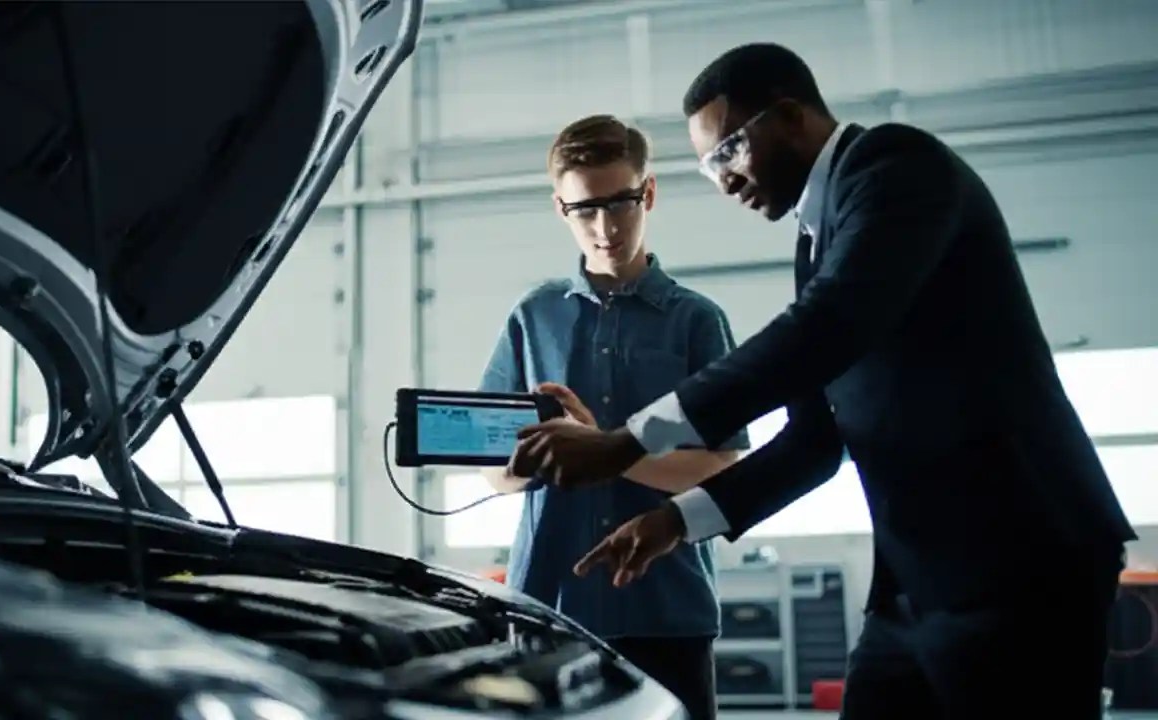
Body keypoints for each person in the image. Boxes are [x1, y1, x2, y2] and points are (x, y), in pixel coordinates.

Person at [511, 44, 1137, 718]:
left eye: (727, 153)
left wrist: (625, 443)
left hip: (1020, 558)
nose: (721, 180)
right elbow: (814, 441)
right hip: (914, 582)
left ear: (787, 117)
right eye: (707, 164)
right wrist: (672, 521)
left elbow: (825, 327)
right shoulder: (817, 242)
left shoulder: (898, 168)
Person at [477, 113, 749, 720]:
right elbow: (492, 474)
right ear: (560, 209)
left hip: (666, 610)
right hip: (548, 608)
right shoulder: (532, 316)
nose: (605, 227)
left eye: (621, 202)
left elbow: (724, 465)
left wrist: (603, 448)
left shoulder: (696, 322)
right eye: (584, 209)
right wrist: (544, 456)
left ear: (648, 192)